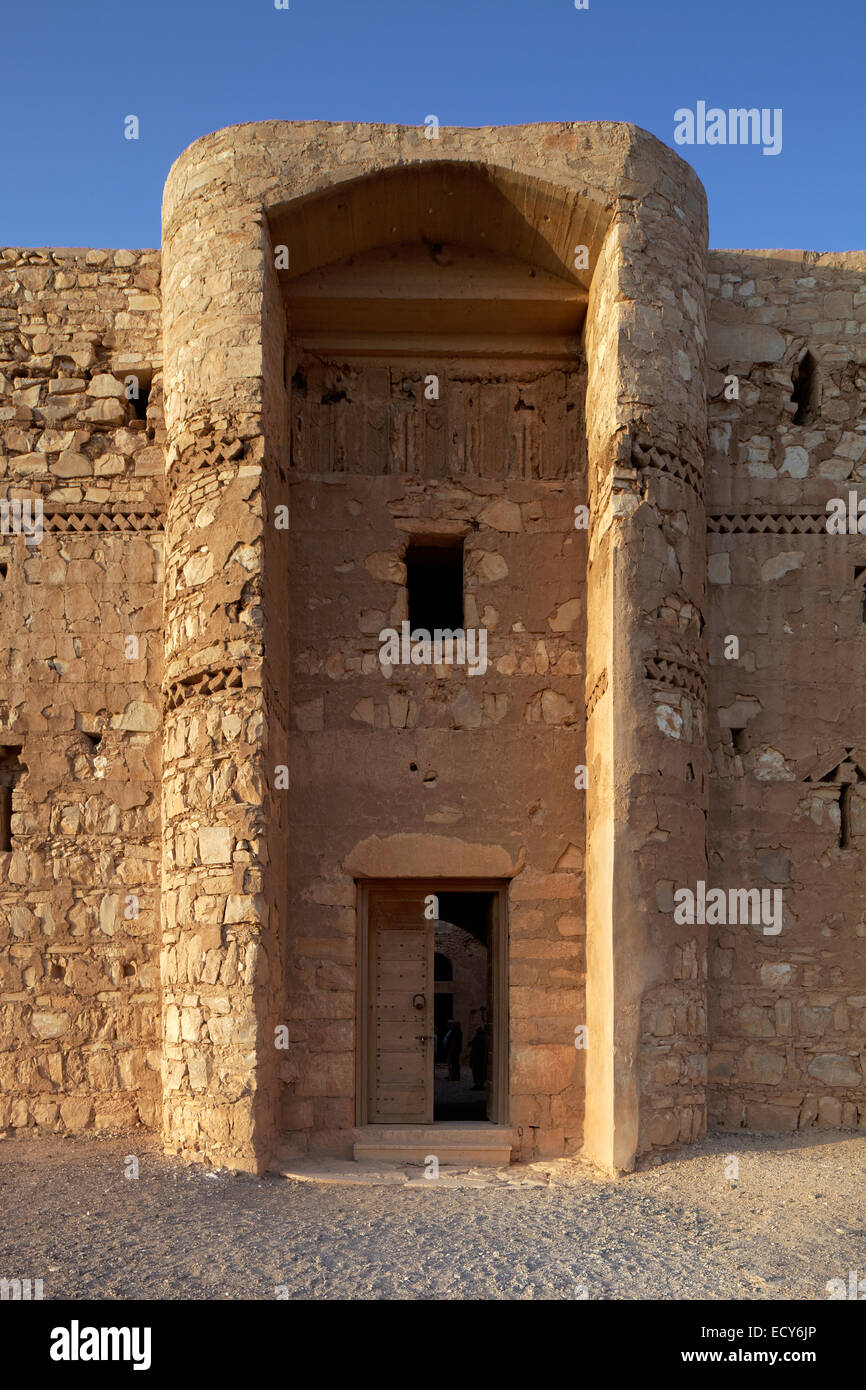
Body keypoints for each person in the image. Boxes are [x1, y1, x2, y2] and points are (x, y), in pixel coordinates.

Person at [469, 1026, 487, 1090]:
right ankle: (480, 1083)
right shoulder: (484, 1038)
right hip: (480, 1057)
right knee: (480, 1071)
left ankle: (478, 1084)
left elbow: (471, 1044)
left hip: (477, 1057)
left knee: (477, 1071)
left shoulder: (478, 1038)